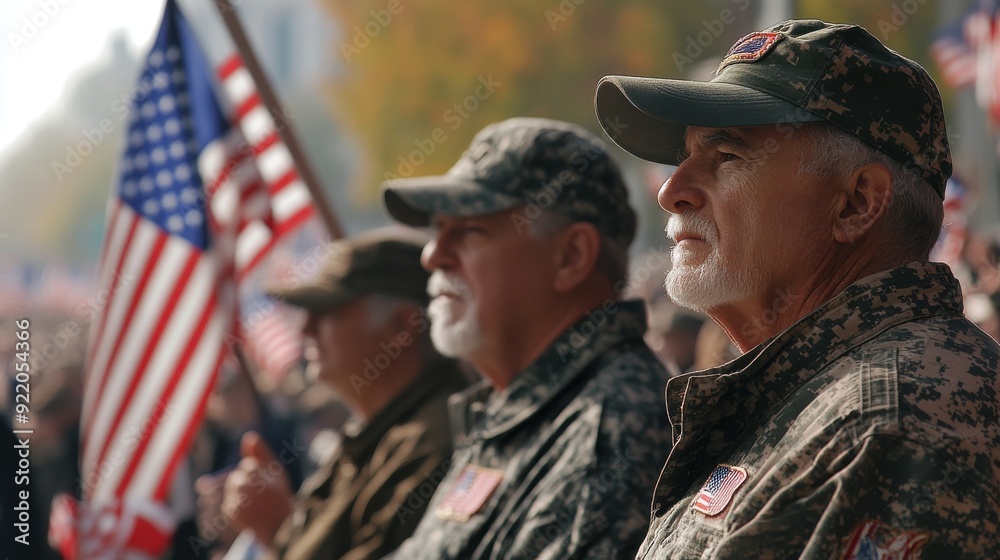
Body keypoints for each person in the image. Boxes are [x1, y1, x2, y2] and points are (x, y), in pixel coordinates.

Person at [594, 19, 1000, 558]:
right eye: (685, 157)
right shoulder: (818, 399)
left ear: (857, 203)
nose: (672, 191)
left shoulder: (898, 421)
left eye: (728, 156)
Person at [380, 117, 672, 558]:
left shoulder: (609, 426)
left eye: (471, 230)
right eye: (438, 230)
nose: (432, 254)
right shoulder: (529, 410)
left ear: (570, 256)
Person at [208, 227, 470, 560]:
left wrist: (277, 532)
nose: (305, 328)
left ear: (402, 326)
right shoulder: (377, 438)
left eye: (329, 311)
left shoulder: (434, 440)